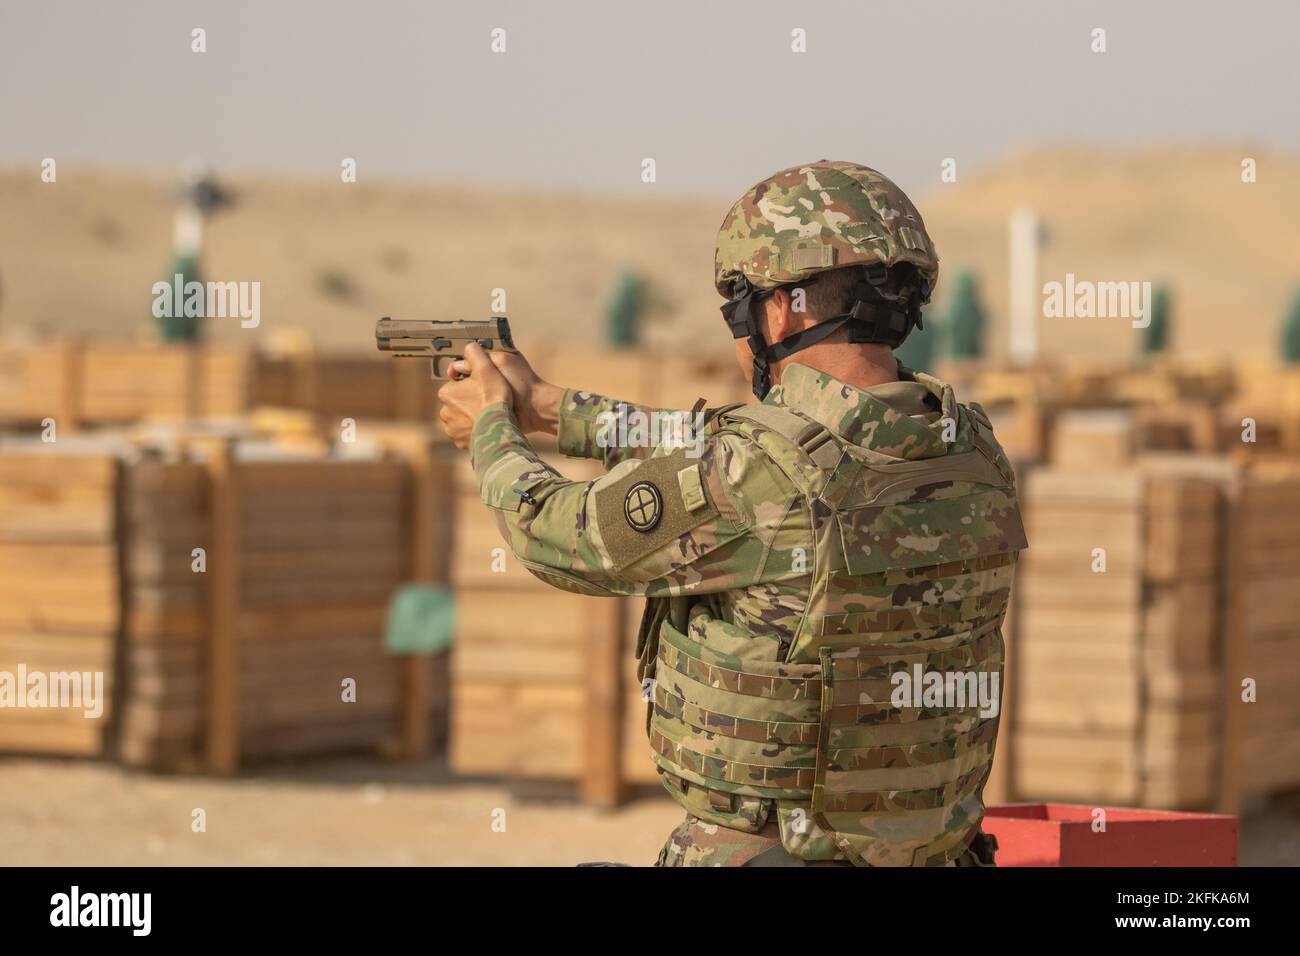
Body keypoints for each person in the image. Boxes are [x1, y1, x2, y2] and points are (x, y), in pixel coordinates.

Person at [437, 161, 1028, 867]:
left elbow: (554, 532)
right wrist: (555, 411)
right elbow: (741, 446)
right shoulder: (969, 447)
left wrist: (492, 430)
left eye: (739, 309)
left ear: (784, 309)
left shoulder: (760, 476)